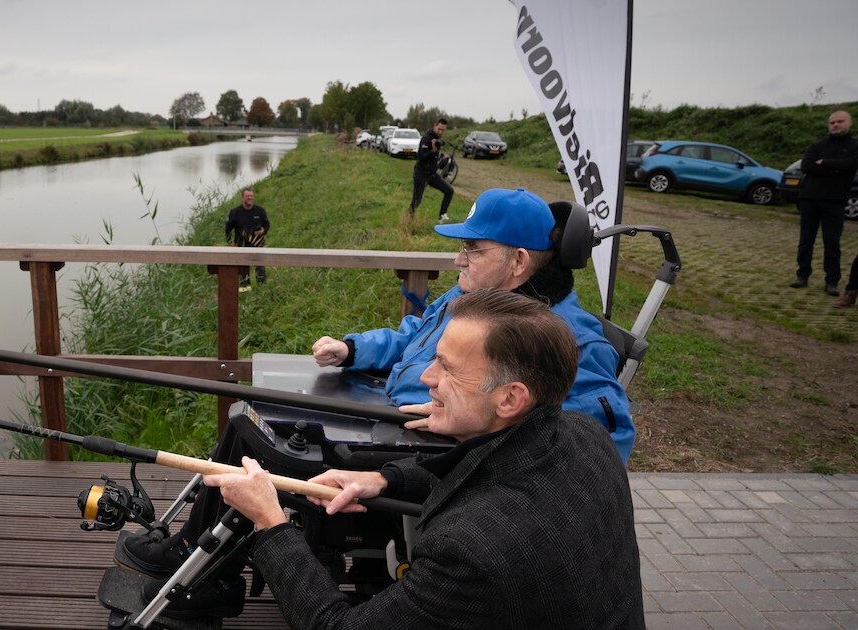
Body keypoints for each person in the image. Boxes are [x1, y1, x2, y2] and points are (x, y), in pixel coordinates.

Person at [205, 289, 645, 629]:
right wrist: (384, 479)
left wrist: (270, 523)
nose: (428, 378)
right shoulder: (585, 435)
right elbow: (481, 471)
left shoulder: (470, 553)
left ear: (511, 398)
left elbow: (335, 626)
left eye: (448, 368)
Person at [313, 187, 634, 463]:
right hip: (393, 417)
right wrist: (354, 349)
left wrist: (478, 427)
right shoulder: (470, 295)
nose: (458, 260)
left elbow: (603, 440)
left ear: (518, 261)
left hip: (449, 460)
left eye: (473, 250)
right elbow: (416, 336)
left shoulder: (565, 340)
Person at [790, 110, 858, 296]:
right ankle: (802, 275)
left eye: (840, 121)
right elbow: (807, 166)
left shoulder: (855, 146)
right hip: (810, 198)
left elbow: (852, 164)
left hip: (835, 201)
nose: (835, 125)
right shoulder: (817, 145)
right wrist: (836, 168)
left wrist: (825, 162)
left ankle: (832, 281)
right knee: (806, 241)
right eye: (832, 122)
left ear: (850, 123)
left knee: (832, 243)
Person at [410, 117, 454, 223]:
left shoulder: (437, 139)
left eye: (443, 130)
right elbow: (421, 157)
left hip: (432, 174)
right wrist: (433, 151)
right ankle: (408, 220)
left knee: (449, 191)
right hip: (421, 173)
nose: (441, 132)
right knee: (416, 201)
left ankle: (442, 215)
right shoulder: (426, 138)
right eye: (439, 129)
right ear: (435, 125)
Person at [225, 187, 270, 286]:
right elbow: (227, 229)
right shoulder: (234, 212)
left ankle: (262, 287)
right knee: (243, 268)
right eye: (247, 196)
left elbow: (267, 224)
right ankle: (245, 287)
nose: (250, 198)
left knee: (260, 267)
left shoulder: (260, 210)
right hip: (241, 245)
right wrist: (230, 242)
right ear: (242, 198)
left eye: (251, 196)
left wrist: (263, 230)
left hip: (258, 244)